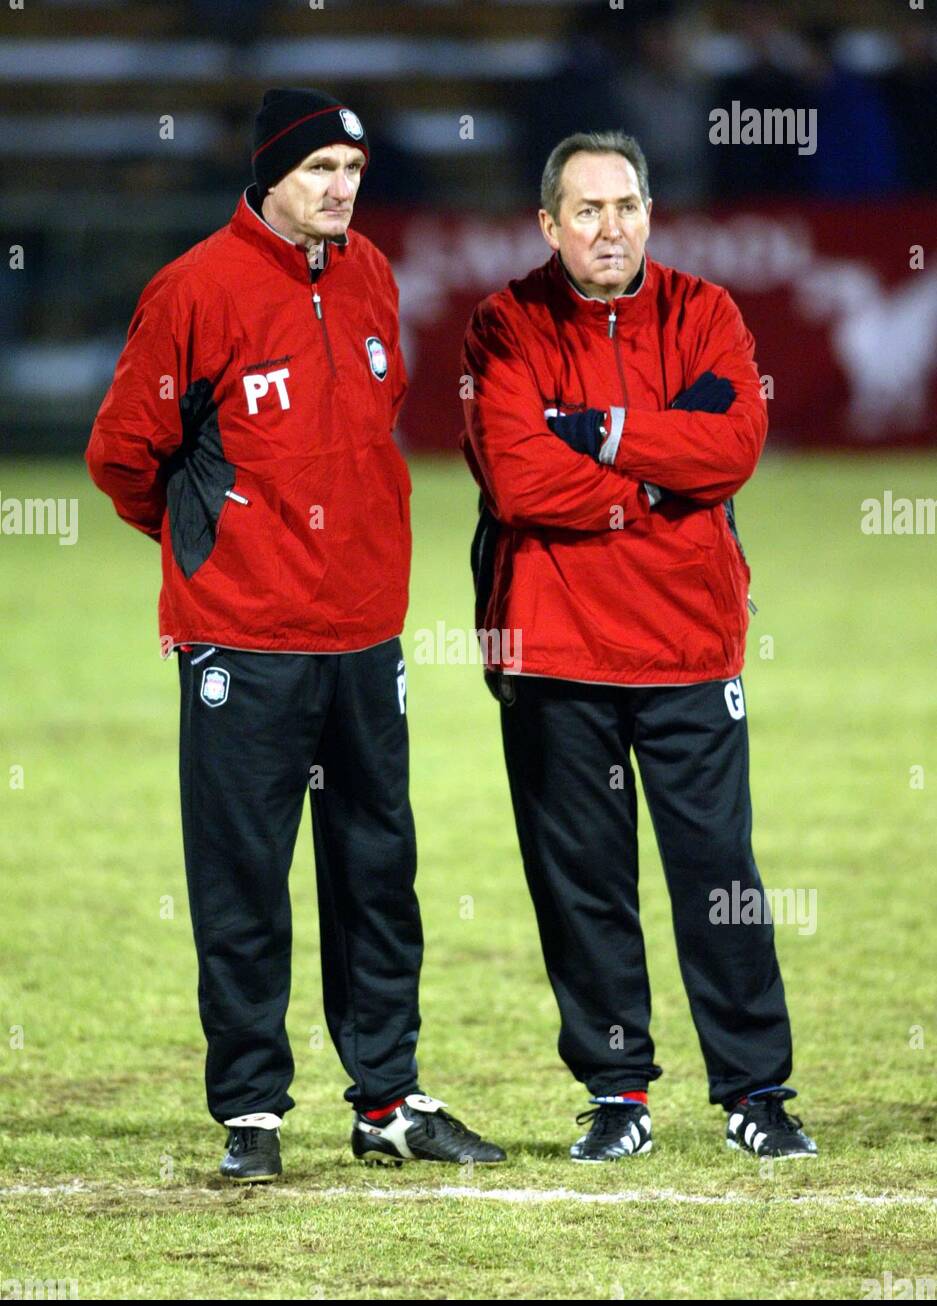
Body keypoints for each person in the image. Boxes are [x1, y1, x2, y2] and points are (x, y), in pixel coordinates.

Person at [87, 87, 505, 1182]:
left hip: (363, 631)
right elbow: (125, 454)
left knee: (378, 869)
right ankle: (253, 1112)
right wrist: (215, 545)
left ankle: (387, 1099)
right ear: (268, 173)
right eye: (320, 171)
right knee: (241, 877)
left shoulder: (368, 273)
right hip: (245, 637)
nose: (342, 191)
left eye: (354, 173)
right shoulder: (191, 290)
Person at [461, 130, 816, 1162]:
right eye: (586, 209)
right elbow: (521, 479)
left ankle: (755, 1089)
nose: (608, 227)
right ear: (548, 224)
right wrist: (666, 465)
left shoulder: (706, 311)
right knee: (583, 882)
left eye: (625, 206)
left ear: (649, 215)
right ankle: (617, 1092)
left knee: (721, 875)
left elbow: (734, 445)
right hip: (555, 646)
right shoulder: (504, 324)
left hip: (689, 645)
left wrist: (602, 432)